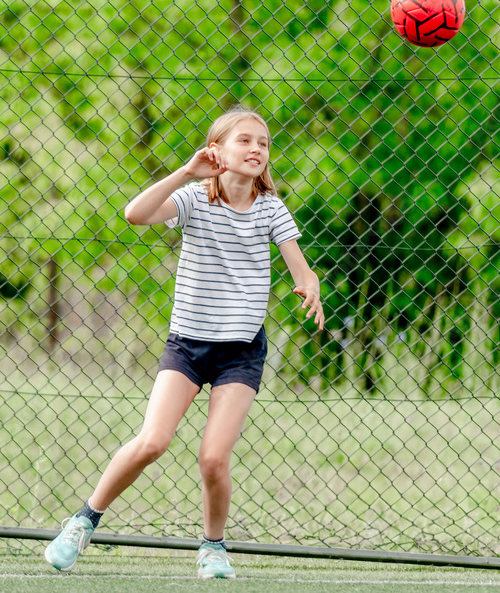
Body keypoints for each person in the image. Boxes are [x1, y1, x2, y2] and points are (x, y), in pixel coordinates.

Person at [44, 104, 325, 579]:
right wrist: (186, 172)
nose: (256, 149)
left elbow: (301, 268)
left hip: (240, 352)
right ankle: (83, 521)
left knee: (213, 458)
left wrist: (310, 285)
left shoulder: (271, 209)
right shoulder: (194, 197)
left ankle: (212, 548)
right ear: (217, 149)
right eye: (244, 140)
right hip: (188, 346)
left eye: (263, 143)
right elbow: (135, 214)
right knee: (153, 442)